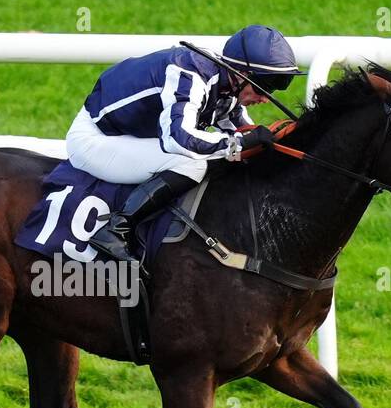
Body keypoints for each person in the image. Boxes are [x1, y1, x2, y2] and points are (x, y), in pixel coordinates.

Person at [65, 24, 299, 265]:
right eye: (263, 87)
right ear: (241, 74)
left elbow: (243, 134)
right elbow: (179, 139)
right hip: (95, 140)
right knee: (193, 164)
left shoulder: (227, 86)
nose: (265, 98)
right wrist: (241, 143)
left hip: (135, 136)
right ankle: (117, 228)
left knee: (227, 156)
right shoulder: (189, 75)